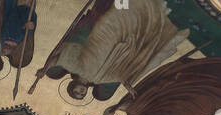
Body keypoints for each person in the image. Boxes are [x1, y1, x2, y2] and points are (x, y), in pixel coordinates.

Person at [47, 0, 188, 103]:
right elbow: (119, 77)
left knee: (115, 13)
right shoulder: (98, 80)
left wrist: (44, 69)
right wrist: (129, 88)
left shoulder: (74, 68)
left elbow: (58, 59)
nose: (81, 92)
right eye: (81, 95)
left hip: (100, 36)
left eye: (76, 92)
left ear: (72, 86)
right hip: (116, 43)